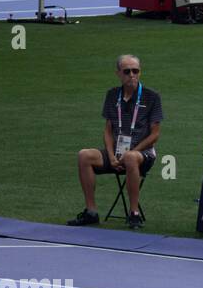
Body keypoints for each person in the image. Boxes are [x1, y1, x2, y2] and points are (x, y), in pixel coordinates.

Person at [69, 55, 163, 229]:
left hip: (143, 154)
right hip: (116, 153)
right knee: (84, 155)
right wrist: (111, 156)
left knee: (131, 157)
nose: (132, 75)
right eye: (127, 71)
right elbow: (108, 130)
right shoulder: (112, 95)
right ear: (118, 73)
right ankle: (91, 212)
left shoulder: (152, 97)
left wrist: (131, 152)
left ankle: (134, 213)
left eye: (135, 71)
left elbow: (155, 135)